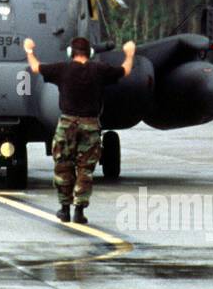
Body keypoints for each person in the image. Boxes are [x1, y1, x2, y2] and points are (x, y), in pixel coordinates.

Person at [23, 36, 135, 223]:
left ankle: (64, 209)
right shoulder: (100, 70)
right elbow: (125, 70)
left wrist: (29, 50)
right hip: (90, 125)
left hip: (67, 124)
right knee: (85, 170)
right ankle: (79, 211)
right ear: (90, 53)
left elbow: (35, 67)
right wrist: (129, 54)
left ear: (70, 53)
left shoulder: (61, 69)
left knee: (63, 166)